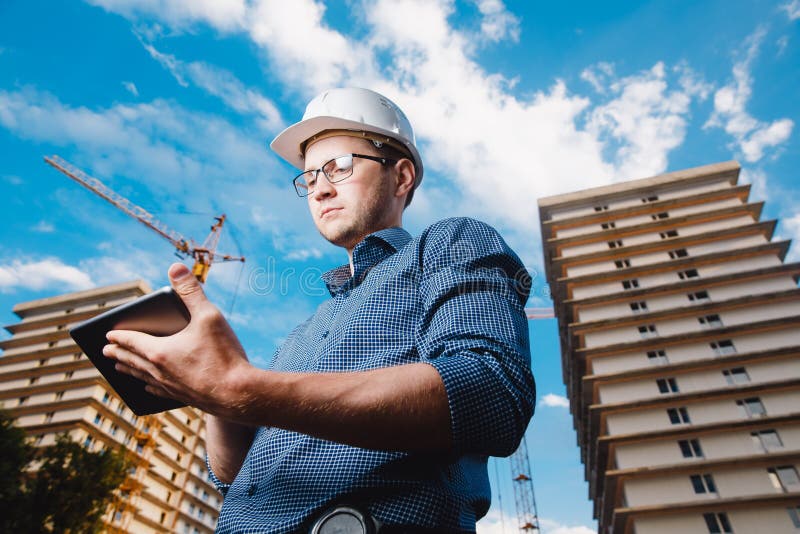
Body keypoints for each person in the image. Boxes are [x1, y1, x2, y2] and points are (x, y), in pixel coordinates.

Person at [104, 87, 535, 533]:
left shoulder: (450, 243)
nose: (321, 189)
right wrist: (212, 394)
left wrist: (242, 387)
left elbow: (491, 393)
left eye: (340, 167)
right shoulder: (297, 340)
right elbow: (234, 477)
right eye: (309, 178)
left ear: (402, 177)